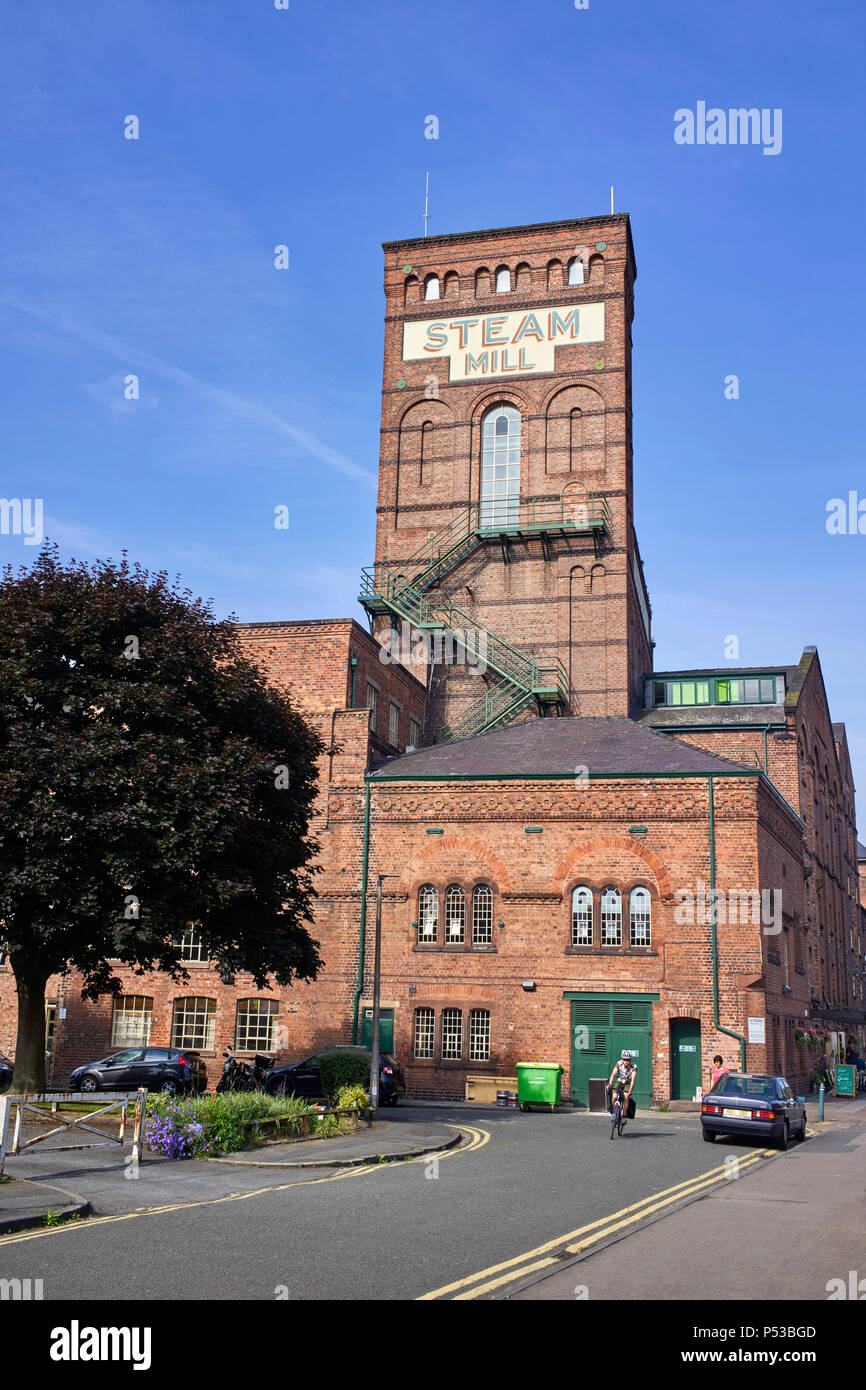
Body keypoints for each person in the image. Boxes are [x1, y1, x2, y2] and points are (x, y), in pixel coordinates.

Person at [607, 1050, 637, 1123]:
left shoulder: (634, 1066)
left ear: (630, 1060)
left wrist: (630, 1089)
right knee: (614, 1097)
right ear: (622, 1059)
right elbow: (613, 1074)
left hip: (627, 1083)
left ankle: (624, 1116)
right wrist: (610, 1084)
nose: (626, 1061)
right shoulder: (619, 1064)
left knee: (626, 1097)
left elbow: (633, 1080)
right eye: (624, 1059)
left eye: (628, 1060)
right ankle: (614, 1112)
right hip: (619, 1081)